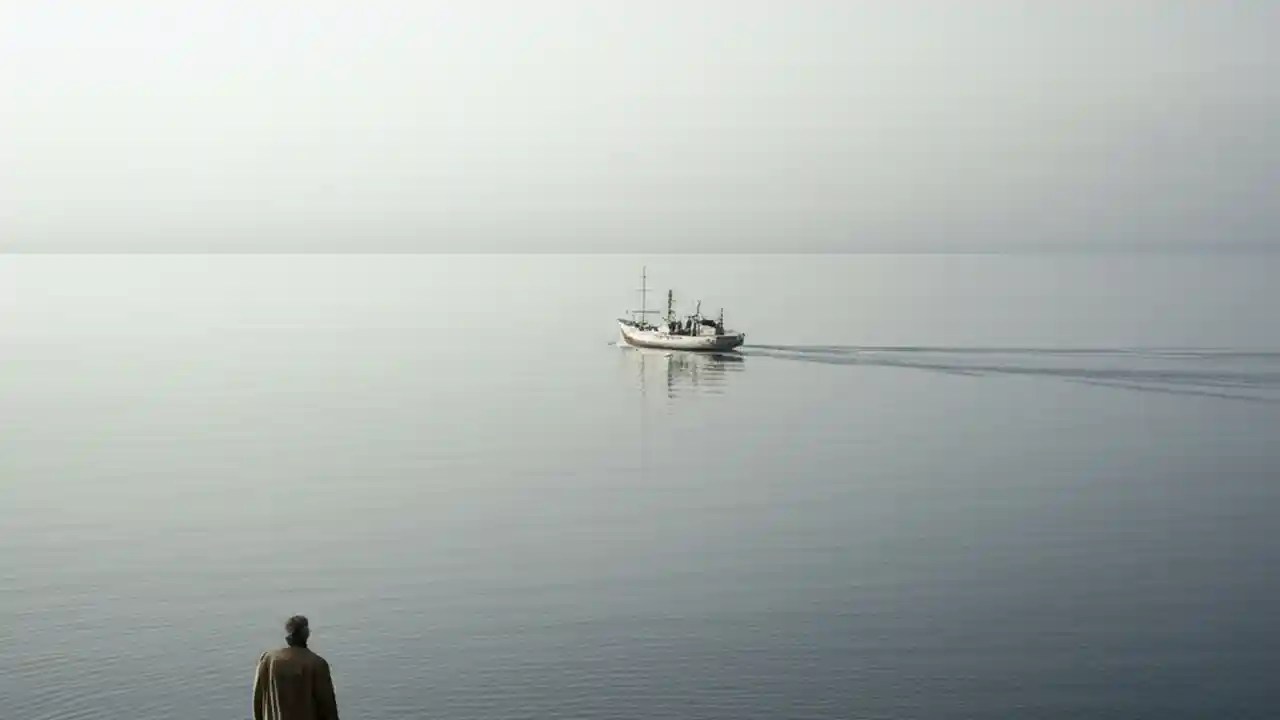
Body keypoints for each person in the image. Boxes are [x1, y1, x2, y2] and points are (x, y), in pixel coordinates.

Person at [253, 615, 340, 720]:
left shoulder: (268, 659)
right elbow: (327, 706)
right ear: (306, 634)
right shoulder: (316, 664)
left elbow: (258, 700)